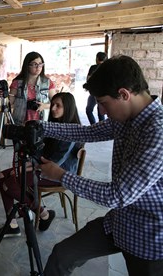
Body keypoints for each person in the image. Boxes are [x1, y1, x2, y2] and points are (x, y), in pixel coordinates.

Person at [38, 55, 163, 275]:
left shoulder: (157, 133)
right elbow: (87, 131)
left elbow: (117, 195)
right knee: (63, 255)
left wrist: (61, 176)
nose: (102, 112)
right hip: (120, 222)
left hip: (149, 236)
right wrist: (42, 127)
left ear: (124, 94)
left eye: (104, 103)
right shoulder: (126, 119)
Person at [0, 92, 82, 238]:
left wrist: (26, 167)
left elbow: (54, 163)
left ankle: (41, 213)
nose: (53, 108)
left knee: (10, 183)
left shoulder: (71, 130)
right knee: (2, 176)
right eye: (53, 104)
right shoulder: (55, 126)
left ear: (69, 108)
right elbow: (41, 152)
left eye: (58, 106)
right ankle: (13, 224)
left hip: (59, 173)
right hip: (44, 166)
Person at [9, 51, 56, 125]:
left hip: (42, 121)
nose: (38, 67)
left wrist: (44, 106)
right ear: (27, 65)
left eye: (40, 64)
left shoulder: (48, 83)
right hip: (20, 121)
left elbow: (55, 103)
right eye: (35, 64)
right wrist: (4, 96)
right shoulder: (17, 83)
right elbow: (9, 103)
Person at [85, 52, 107, 124]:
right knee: (101, 111)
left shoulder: (93, 67)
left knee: (89, 110)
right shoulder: (107, 68)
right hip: (104, 92)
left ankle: (93, 125)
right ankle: (102, 127)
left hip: (94, 92)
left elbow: (88, 79)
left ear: (97, 58)